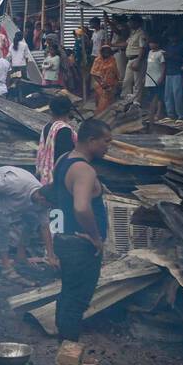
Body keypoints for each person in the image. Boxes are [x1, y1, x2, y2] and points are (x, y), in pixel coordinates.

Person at [51, 119, 113, 343]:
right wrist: (96, 238)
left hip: (64, 239)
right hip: (81, 245)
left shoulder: (63, 160)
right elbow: (81, 207)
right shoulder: (84, 170)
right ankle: (68, 352)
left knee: (68, 293)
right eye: (106, 142)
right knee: (77, 300)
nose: (108, 147)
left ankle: (64, 349)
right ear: (91, 140)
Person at [0, 166, 56, 284]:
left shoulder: (42, 203)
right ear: (42, 199)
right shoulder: (14, 184)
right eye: (49, 205)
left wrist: (51, 256)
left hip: (14, 200)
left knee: (32, 220)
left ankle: (21, 257)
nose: (49, 208)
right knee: (3, 226)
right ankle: (6, 267)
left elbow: (45, 227)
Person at [121, 16, 147, 106]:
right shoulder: (133, 33)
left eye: (131, 22)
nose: (129, 24)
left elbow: (142, 48)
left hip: (137, 59)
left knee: (137, 82)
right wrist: (112, 44)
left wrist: (138, 61)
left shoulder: (141, 33)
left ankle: (137, 102)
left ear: (137, 23)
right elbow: (126, 43)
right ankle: (127, 100)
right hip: (130, 59)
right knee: (127, 81)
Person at [162, 33, 183, 124]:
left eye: (173, 35)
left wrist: (171, 56)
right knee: (168, 95)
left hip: (178, 72)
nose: (171, 37)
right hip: (169, 72)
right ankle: (171, 114)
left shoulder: (182, 46)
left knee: (178, 95)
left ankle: (181, 115)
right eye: (170, 36)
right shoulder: (167, 46)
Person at [90, 44, 119, 113]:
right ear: (101, 52)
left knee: (110, 102)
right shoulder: (97, 60)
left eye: (108, 51)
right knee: (102, 102)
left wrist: (116, 82)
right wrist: (102, 84)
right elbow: (93, 73)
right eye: (104, 51)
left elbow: (115, 71)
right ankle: (100, 116)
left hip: (111, 84)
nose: (106, 53)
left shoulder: (112, 59)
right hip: (100, 84)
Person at [144, 36, 166, 123]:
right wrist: (145, 76)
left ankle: (159, 113)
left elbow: (164, 66)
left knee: (159, 96)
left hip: (157, 78)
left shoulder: (161, 53)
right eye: (150, 43)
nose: (151, 45)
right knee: (151, 97)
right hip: (149, 78)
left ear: (157, 44)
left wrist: (161, 77)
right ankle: (151, 114)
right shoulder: (149, 52)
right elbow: (149, 65)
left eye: (153, 43)